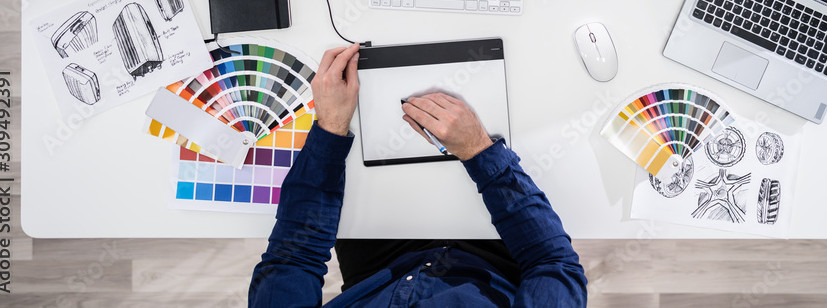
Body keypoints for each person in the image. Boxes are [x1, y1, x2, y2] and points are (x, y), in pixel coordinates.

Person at [249, 43, 587, 307]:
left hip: (379, 253)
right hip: (500, 254)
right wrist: (479, 150)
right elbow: (553, 264)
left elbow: (292, 258)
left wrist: (331, 128)